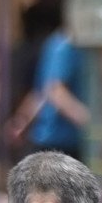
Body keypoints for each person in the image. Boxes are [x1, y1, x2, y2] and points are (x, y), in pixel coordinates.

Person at [6, 14, 92, 162]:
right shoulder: (66, 45)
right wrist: (91, 122)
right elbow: (56, 92)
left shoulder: (56, 43)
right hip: (60, 143)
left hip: (51, 142)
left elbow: (40, 93)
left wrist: (21, 121)